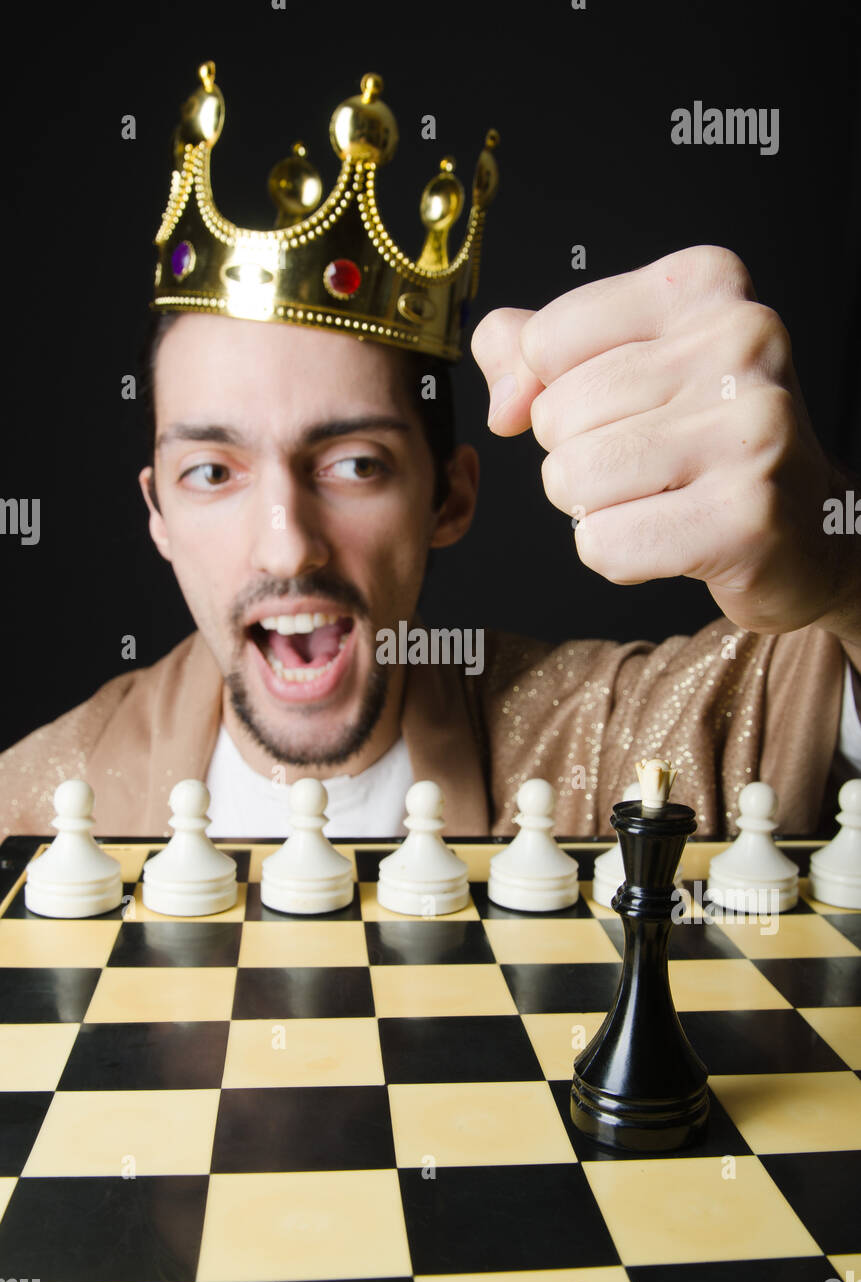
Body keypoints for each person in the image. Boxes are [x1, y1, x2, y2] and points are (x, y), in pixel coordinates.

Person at [1, 64, 859, 841]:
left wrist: (840, 572)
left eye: (353, 464)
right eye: (213, 473)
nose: (287, 544)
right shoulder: (27, 810)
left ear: (449, 497)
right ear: (158, 513)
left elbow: (814, 691)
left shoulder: (607, 750)